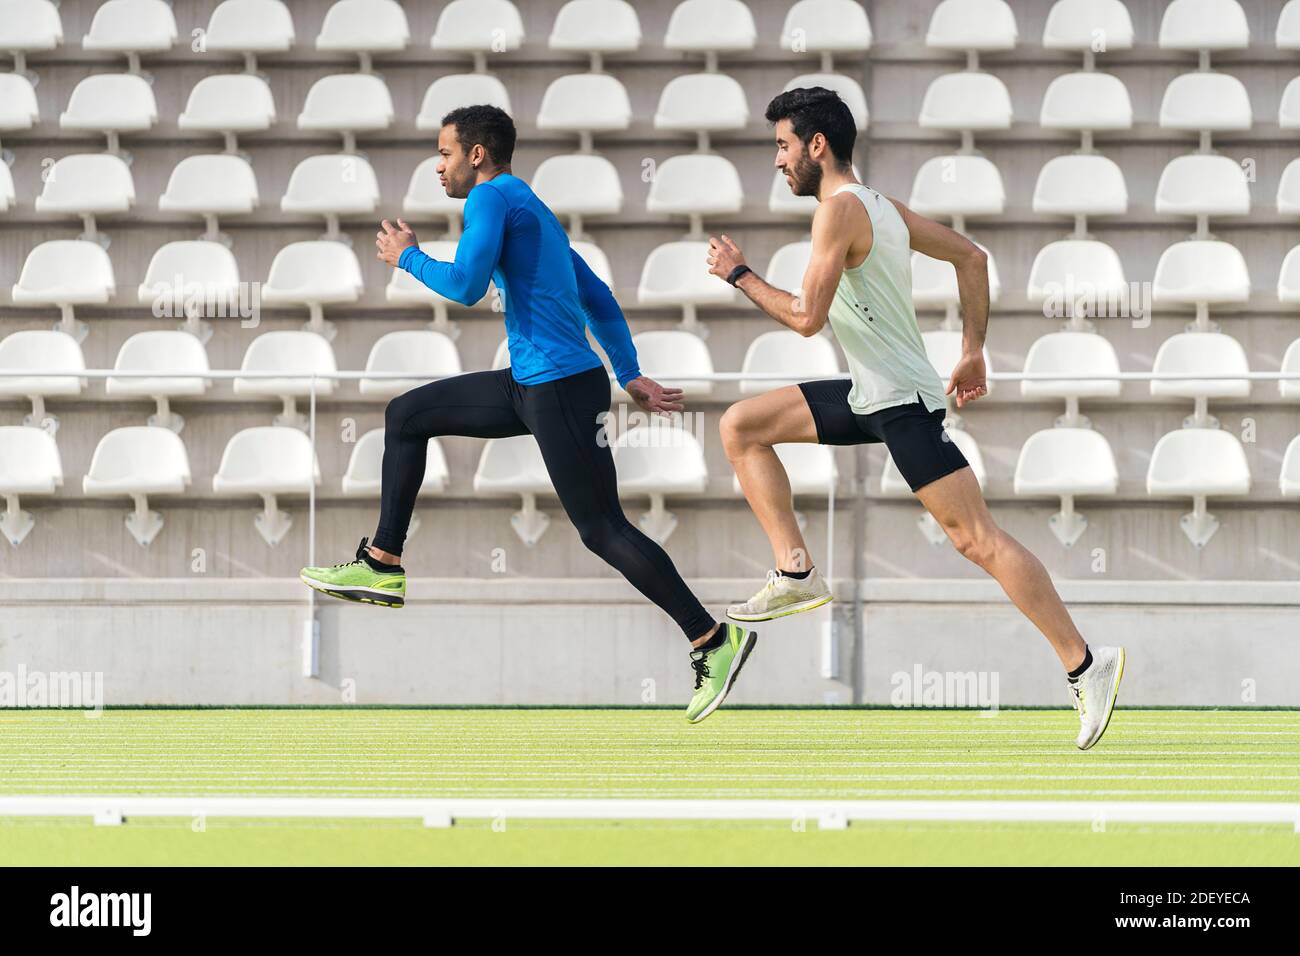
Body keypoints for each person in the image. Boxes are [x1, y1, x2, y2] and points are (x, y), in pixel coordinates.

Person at [298, 105, 757, 724]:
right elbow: (595, 294)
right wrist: (628, 374)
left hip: (560, 389)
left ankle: (711, 640)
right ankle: (383, 563)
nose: (440, 166)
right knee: (407, 415)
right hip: (533, 383)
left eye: (445, 153)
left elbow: (465, 284)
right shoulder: (531, 206)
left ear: (477, 155)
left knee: (602, 530)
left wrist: (406, 256)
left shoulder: (491, 200)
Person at [706, 88, 1124, 749]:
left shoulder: (839, 211)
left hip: (899, 400)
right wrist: (974, 350)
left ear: (817, 146)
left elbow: (805, 319)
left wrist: (740, 274)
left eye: (783, 146)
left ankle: (1084, 662)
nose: (778, 161)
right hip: (869, 392)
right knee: (741, 426)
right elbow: (972, 257)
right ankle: (795, 571)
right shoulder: (881, 207)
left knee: (976, 540)